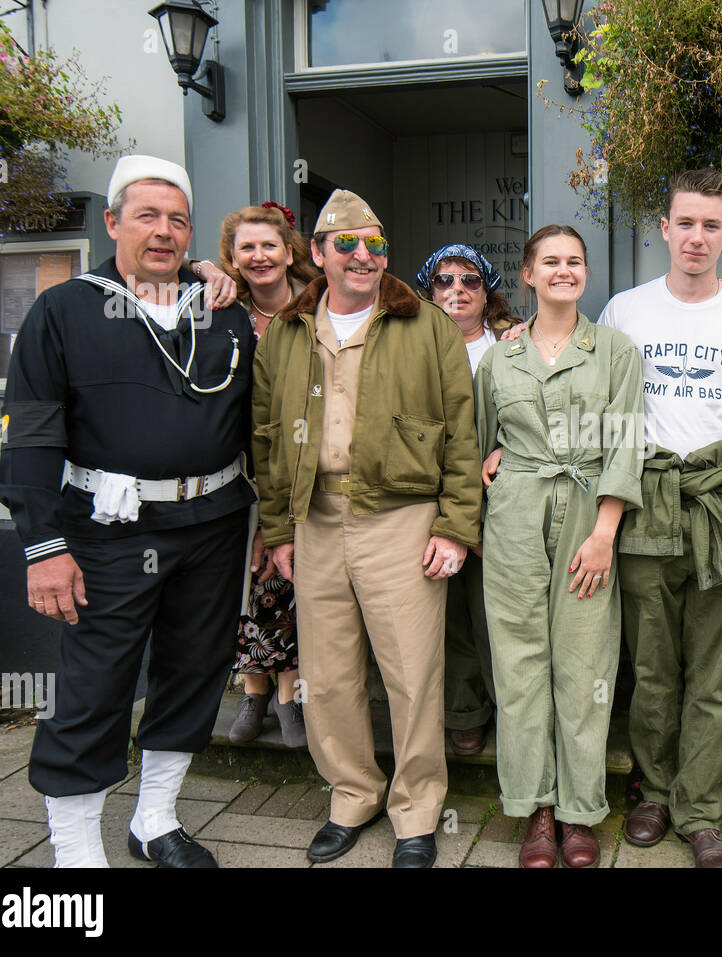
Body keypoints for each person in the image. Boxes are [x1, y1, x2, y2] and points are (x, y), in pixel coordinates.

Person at [0, 155, 256, 867]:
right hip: (108, 531)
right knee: (96, 683)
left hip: (214, 524)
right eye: (147, 216)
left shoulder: (221, 309)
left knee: (194, 669)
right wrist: (41, 545)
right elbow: (33, 432)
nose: (163, 232)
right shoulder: (64, 310)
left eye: (177, 219)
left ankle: (155, 821)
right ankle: (76, 849)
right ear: (112, 223)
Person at [251, 189, 482, 868]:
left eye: (375, 244)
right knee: (326, 674)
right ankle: (352, 793)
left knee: (412, 673)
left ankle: (416, 809)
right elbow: (267, 436)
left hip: (401, 519)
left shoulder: (425, 323)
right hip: (315, 516)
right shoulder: (288, 332)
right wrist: (278, 529)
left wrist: (455, 526)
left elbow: (461, 435)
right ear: (317, 254)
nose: (362, 256)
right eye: (346, 244)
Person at [602, 170, 722, 868]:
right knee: (652, 666)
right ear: (665, 229)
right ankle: (654, 792)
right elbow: (605, 409)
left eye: (711, 225)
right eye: (686, 223)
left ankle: (702, 810)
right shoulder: (625, 310)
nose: (697, 236)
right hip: (646, 502)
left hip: (720, 506)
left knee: (719, 669)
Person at [474, 225, 644, 868]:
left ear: (585, 273)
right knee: (519, 663)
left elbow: (625, 442)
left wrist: (605, 532)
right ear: (528, 274)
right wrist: (494, 457)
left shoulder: (615, 351)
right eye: (551, 261)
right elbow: (478, 436)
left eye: (574, 261)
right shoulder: (499, 357)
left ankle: (579, 812)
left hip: (586, 513)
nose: (564, 270)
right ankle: (534, 808)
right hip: (515, 512)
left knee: (585, 666)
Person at [204, 202, 321, 749]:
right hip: (237, 469)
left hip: (302, 465)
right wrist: (203, 271)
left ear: (289, 250)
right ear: (231, 257)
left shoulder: (318, 305)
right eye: (246, 248)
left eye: (268, 245)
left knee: (292, 579)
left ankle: (288, 695)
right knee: (253, 580)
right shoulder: (221, 309)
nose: (259, 256)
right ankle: (253, 690)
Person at [415, 243, 517, 757]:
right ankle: (464, 711)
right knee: (450, 611)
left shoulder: (511, 345)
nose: (457, 289)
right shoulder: (411, 344)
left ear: (487, 291)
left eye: (470, 280)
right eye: (444, 280)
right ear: (429, 290)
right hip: (435, 498)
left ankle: (512, 712)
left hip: (501, 500)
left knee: (496, 611)